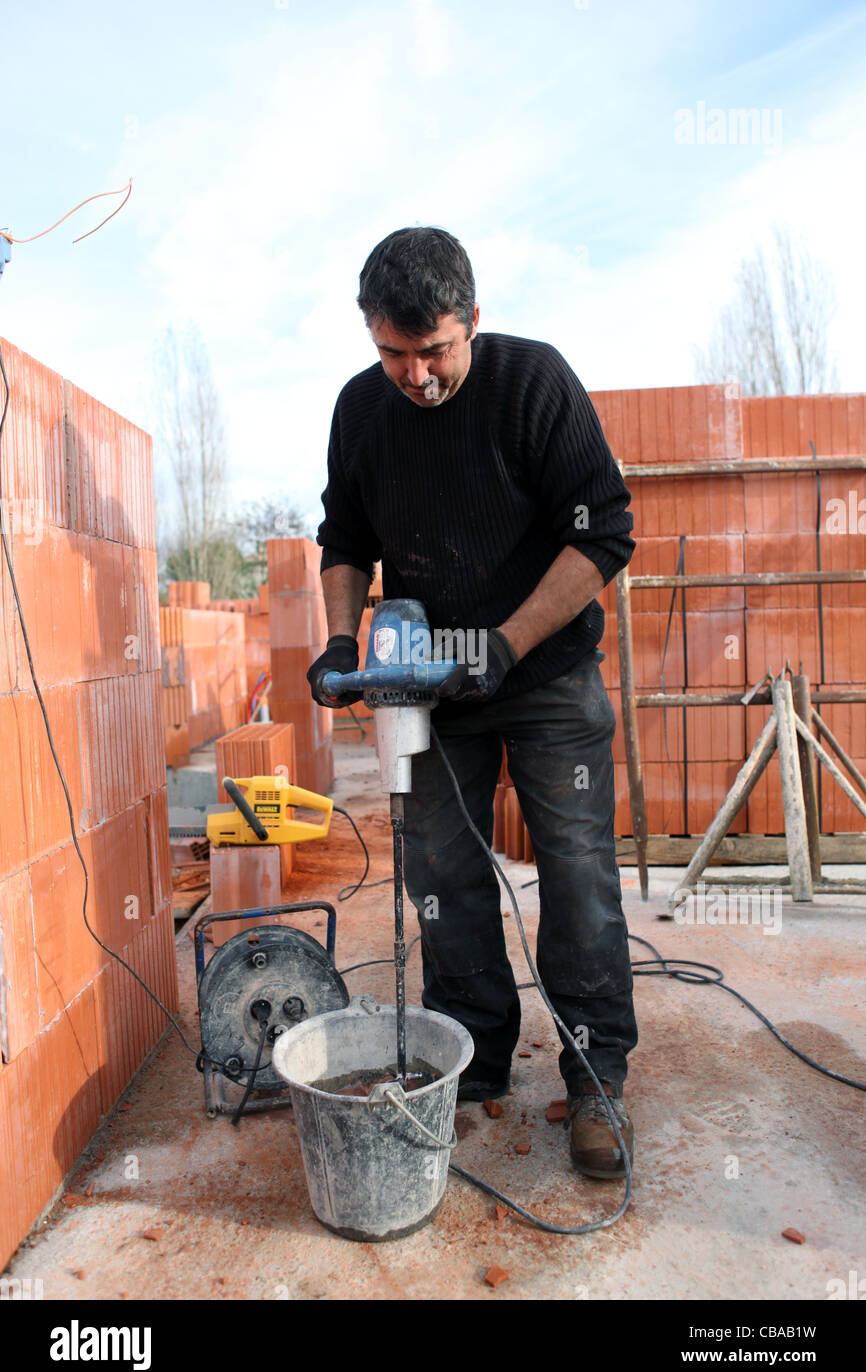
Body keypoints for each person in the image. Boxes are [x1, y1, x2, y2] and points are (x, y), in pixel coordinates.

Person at [307, 227, 638, 1179]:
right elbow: (345, 538)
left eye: (434, 351)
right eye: (393, 353)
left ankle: (594, 1077)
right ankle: (476, 1060)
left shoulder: (533, 384)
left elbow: (603, 534)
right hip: (431, 687)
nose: (414, 376)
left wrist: (506, 643)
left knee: (576, 878)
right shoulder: (360, 410)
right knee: (442, 880)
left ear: (474, 321)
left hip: (546, 678)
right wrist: (342, 640)